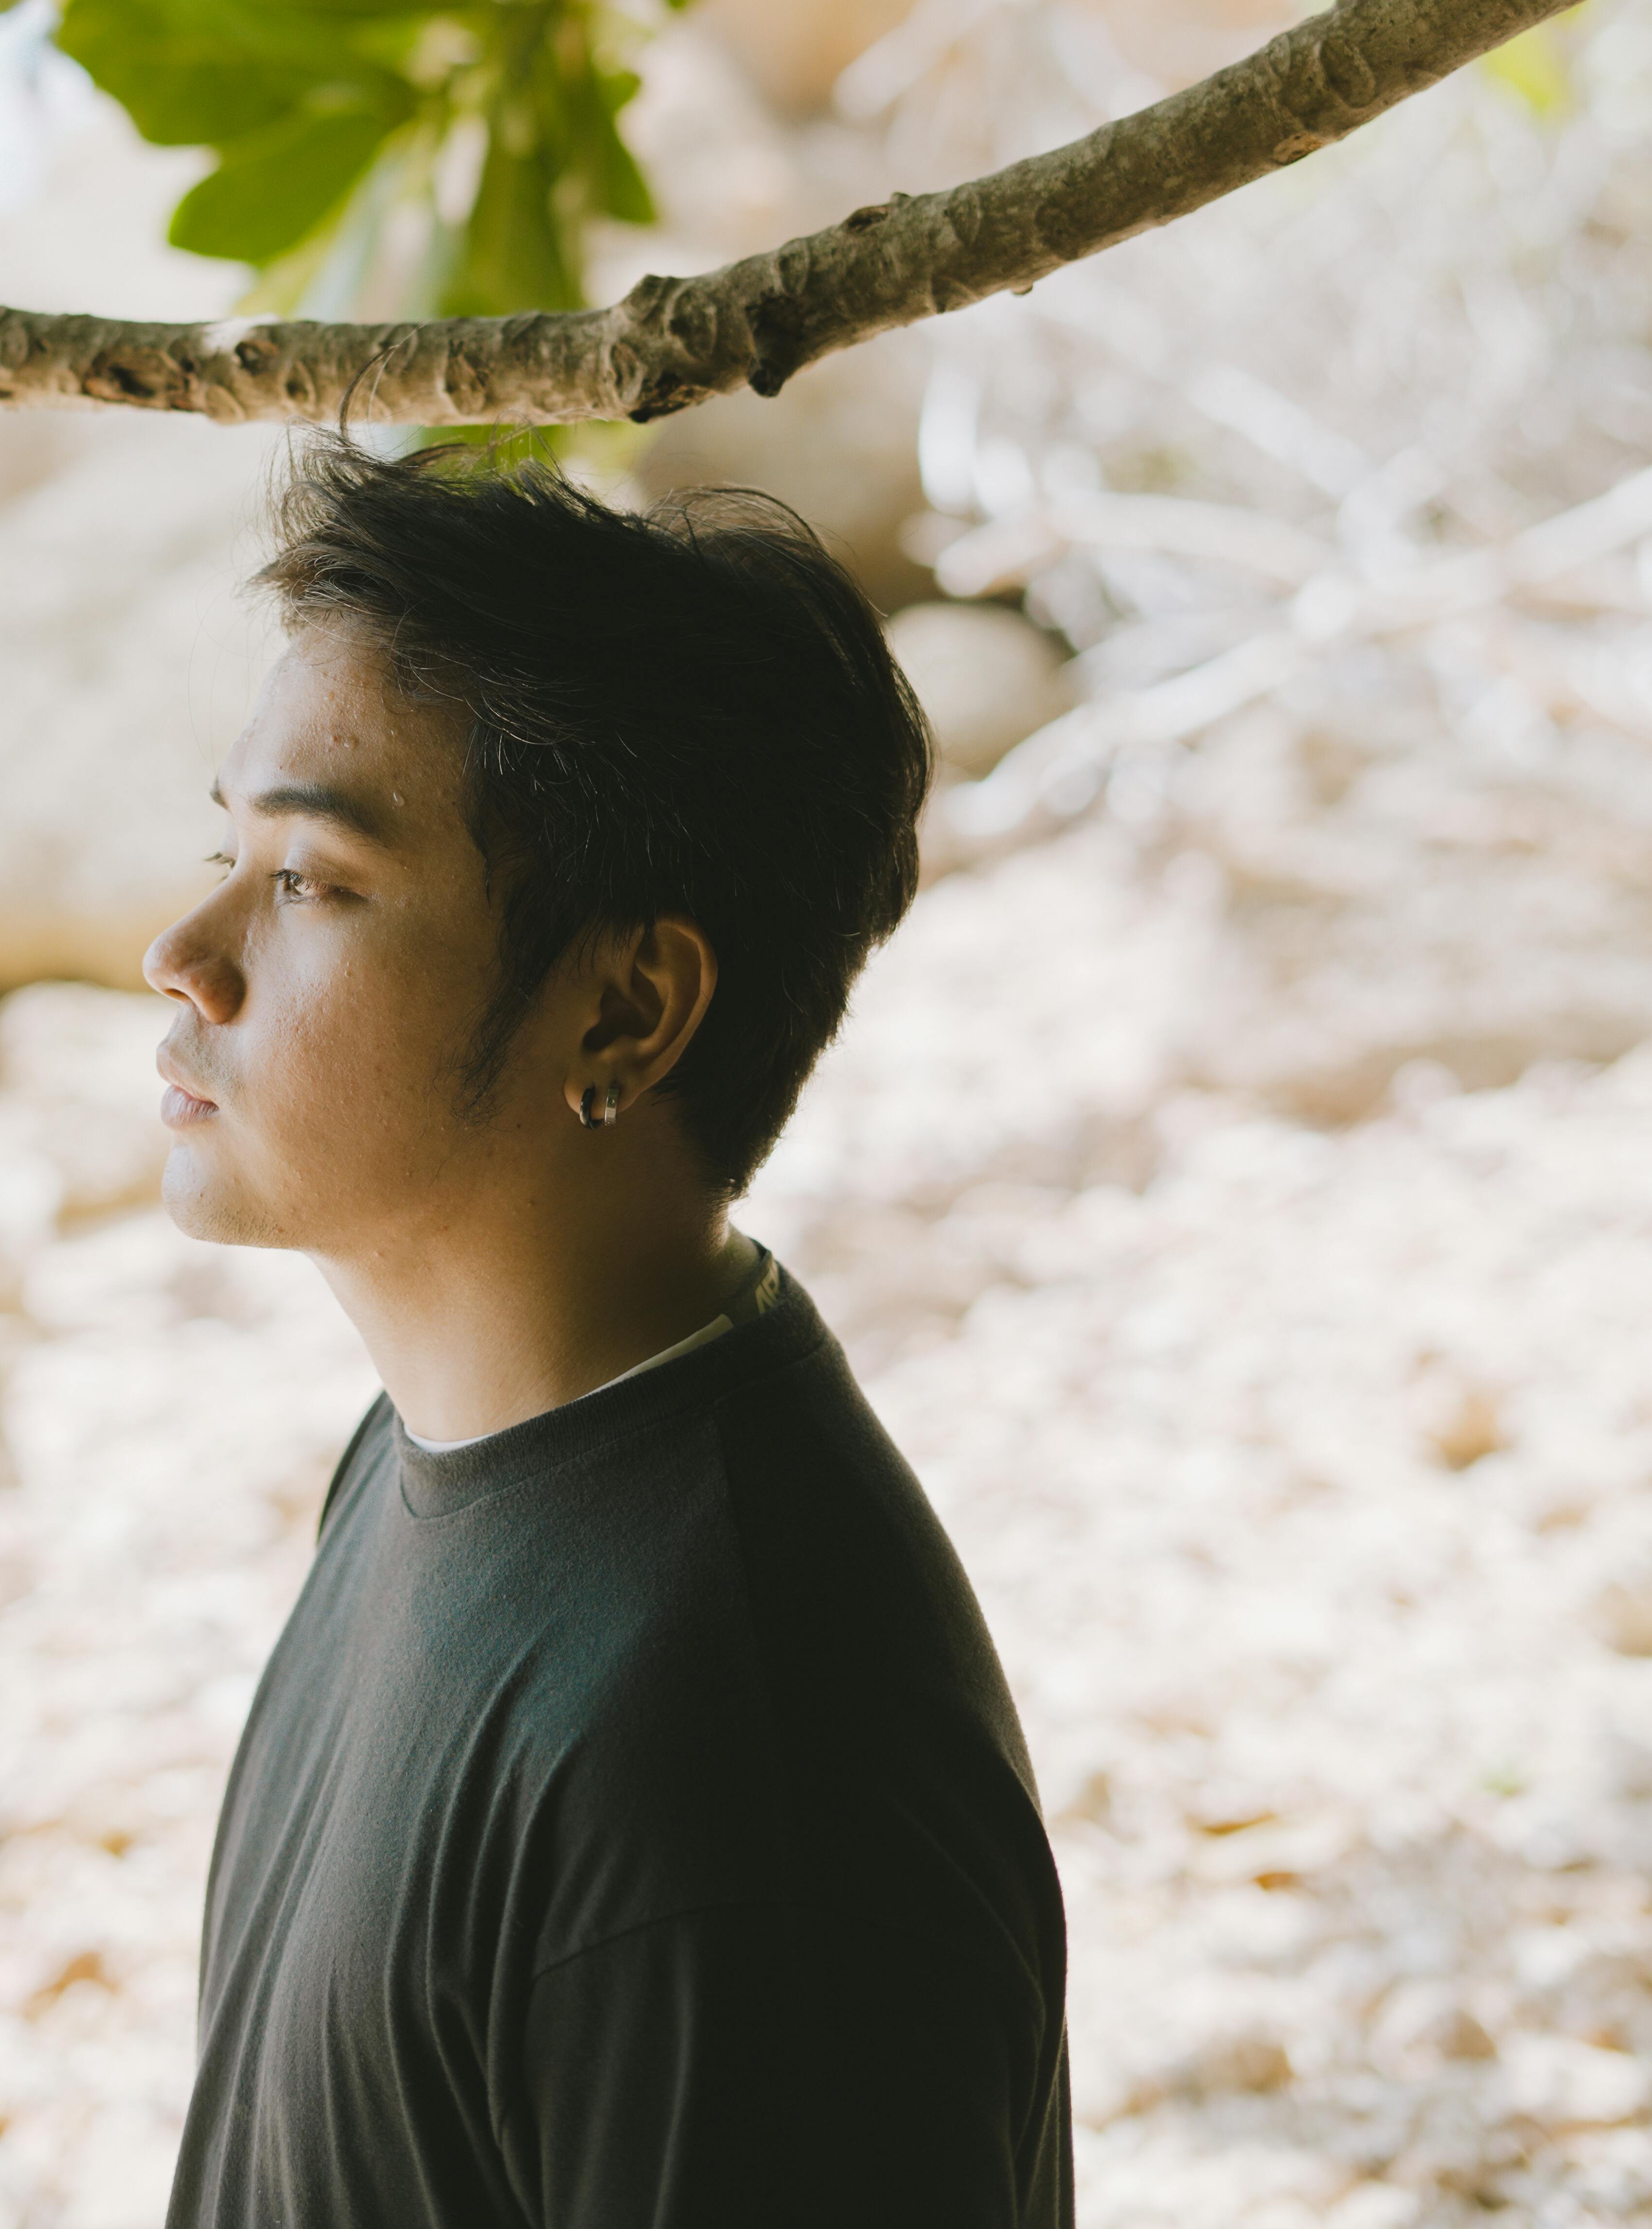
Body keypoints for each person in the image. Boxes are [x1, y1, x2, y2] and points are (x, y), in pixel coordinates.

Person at [146, 438, 1073, 2227]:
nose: (183, 953)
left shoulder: (735, 1766)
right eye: (226, 852)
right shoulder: (440, 1445)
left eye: (313, 884)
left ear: (628, 1009)